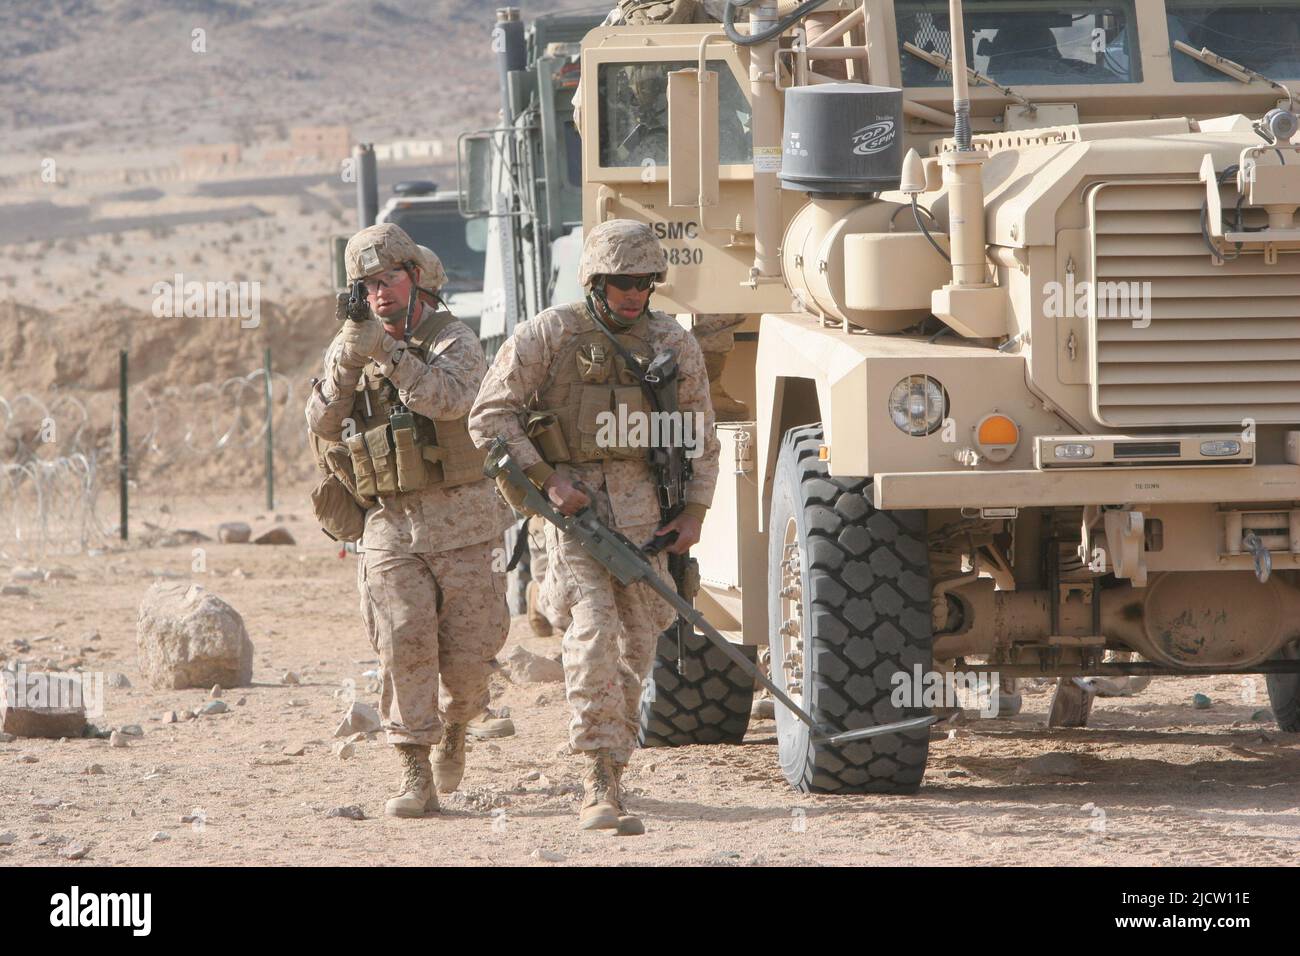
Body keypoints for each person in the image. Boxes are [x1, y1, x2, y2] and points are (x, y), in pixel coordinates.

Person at [469, 219, 719, 833]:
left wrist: (693, 514)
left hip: (646, 518)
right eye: (619, 282)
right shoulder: (549, 335)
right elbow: (490, 415)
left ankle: (616, 757)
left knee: (638, 645)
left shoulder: (671, 343)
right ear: (594, 281)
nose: (632, 294)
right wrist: (547, 478)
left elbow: (701, 435)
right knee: (594, 631)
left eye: (642, 282)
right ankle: (597, 776)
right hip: (573, 514)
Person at [305, 223, 511, 818]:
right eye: (367, 285)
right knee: (403, 643)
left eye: (389, 278)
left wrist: (387, 353)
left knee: (469, 664)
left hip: (465, 523)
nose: (379, 293)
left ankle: (457, 727)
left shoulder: (453, 339)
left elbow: (448, 400)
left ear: (414, 277)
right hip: (390, 523)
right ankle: (414, 771)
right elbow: (321, 421)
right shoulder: (352, 343)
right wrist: (348, 358)